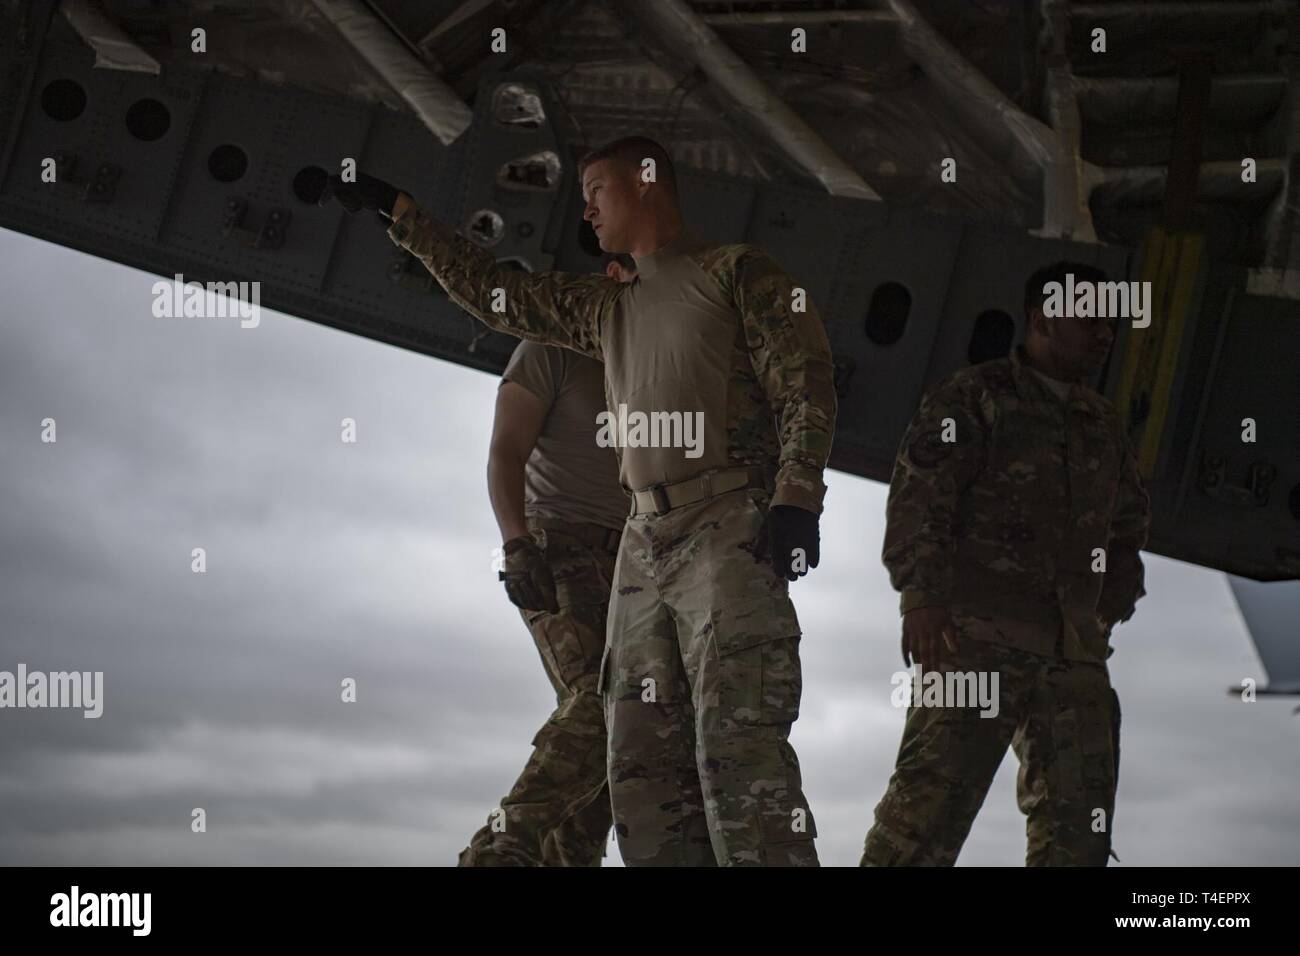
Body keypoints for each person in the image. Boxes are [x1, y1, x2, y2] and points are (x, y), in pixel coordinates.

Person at [325, 135, 836, 866]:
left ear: (648, 182)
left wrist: (797, 497)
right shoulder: (604, 311)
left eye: (598, 190)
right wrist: (400, 214)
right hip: (641, 539)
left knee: (736, 744)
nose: (587, 209)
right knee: (638, 764)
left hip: (726, 526)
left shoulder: (737, 274)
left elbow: (805, 383)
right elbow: (495, 294)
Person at [860, 260, 1150, 866]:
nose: (1107, 334)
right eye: (1093, 317)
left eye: (1113, 324)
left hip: (1072, 656)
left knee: (1078, 832)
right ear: (1045, 316)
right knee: (925, 817)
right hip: (973, 642)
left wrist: (1120, 585)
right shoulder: (975, 396)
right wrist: (920, 597)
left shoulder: (1103, 423)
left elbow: (1127, 522)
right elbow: (921, 496)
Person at [460, 255, 636, 866]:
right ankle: (505, 845)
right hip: (559, 544)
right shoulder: (550, 350)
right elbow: (505, 453)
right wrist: (515, 545)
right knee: (601, 697)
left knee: (629, 726)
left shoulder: (657, 365)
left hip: (636, 564)